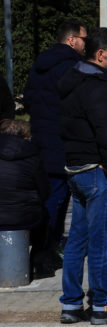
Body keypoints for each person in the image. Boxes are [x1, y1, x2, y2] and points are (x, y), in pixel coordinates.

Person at [57, 26, 107, 325]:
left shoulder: (72, 82)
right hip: (96, 172)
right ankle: (104, 304)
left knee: (78, 241)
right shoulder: (98, 87)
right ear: (101, 54)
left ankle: (70, 303)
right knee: (103, 243)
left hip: (78, 170)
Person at [23, 20, 86, 275]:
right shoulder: (71, 67)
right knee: (56, 203)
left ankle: (45, 250)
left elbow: (29, 99)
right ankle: (44, 254)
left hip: (42, 142)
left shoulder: (40, 65)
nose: (86, 43)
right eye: (83, 38)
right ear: (71, 40)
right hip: (62, 145)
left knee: (50, 200)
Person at [0, 118, 50, 276]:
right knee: (44, 219)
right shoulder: (32, 155)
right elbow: (45, 192)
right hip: (24, 215)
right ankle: (36, 263)